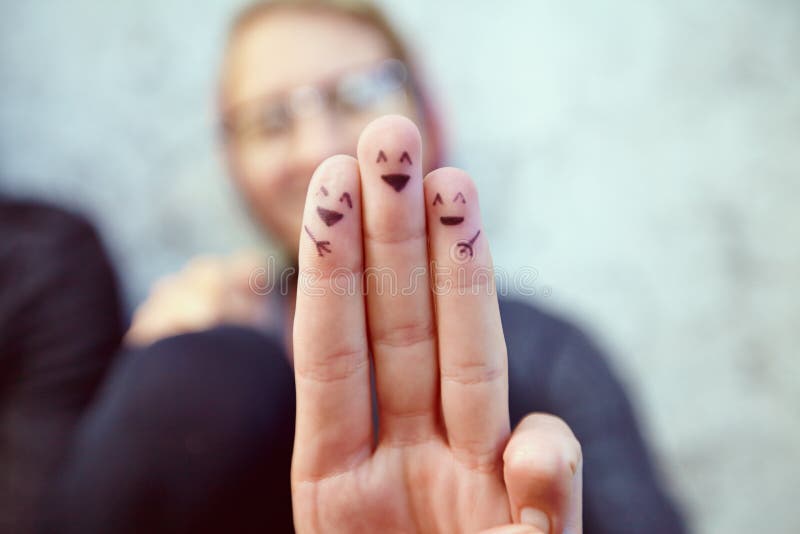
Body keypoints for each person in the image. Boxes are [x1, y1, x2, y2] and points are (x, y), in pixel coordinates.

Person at [18, 1, 686, 533]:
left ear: (432, 110)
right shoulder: (194, 345)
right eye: (271, 119)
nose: (321, 147)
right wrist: (161, 392)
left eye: (359, 91)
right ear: (233, 164)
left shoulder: (549, 354)